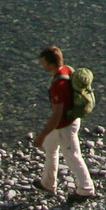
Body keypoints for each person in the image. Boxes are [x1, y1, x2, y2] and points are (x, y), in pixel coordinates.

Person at [33, 45, 96, 201]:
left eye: (43, 62)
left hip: (65, 126)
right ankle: (48, 183)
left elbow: (57, 114)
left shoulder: (58, 86)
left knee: (72, 156)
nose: (42, 65)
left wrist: (42, 135)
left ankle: (86, 189)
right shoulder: (67, 70)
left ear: (50, 64)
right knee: (50, 147)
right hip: (70, 119)